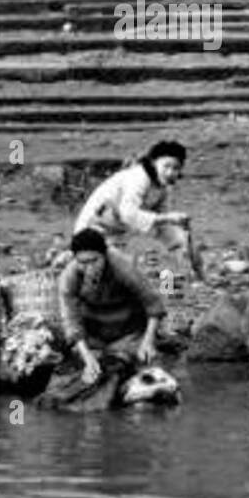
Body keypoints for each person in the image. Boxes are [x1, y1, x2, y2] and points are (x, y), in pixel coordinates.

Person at [73, 139, 199, 274]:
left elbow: (162, 222)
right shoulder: (138, 178)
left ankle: (183, 281)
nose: (170, 172)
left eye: (175, 168)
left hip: (117, 235)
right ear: (153, 163)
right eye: (166, 166)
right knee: (117, 274)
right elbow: (128, 214)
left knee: (175, 244)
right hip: (92, 231)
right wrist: (168, 218)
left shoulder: (163, 187)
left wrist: (180, 239)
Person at [58, 230, 165, 387]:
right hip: (94, 331)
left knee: (146, 363)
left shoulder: (122, 266)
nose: (89, 268)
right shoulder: (69, 277)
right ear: (74, 259)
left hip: (127, 329)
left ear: (104, 255)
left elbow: (152, 303)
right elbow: (71, 320)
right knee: (81, 363)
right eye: (83, 262)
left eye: (94, 261)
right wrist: (88, 359)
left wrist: (148, 341)